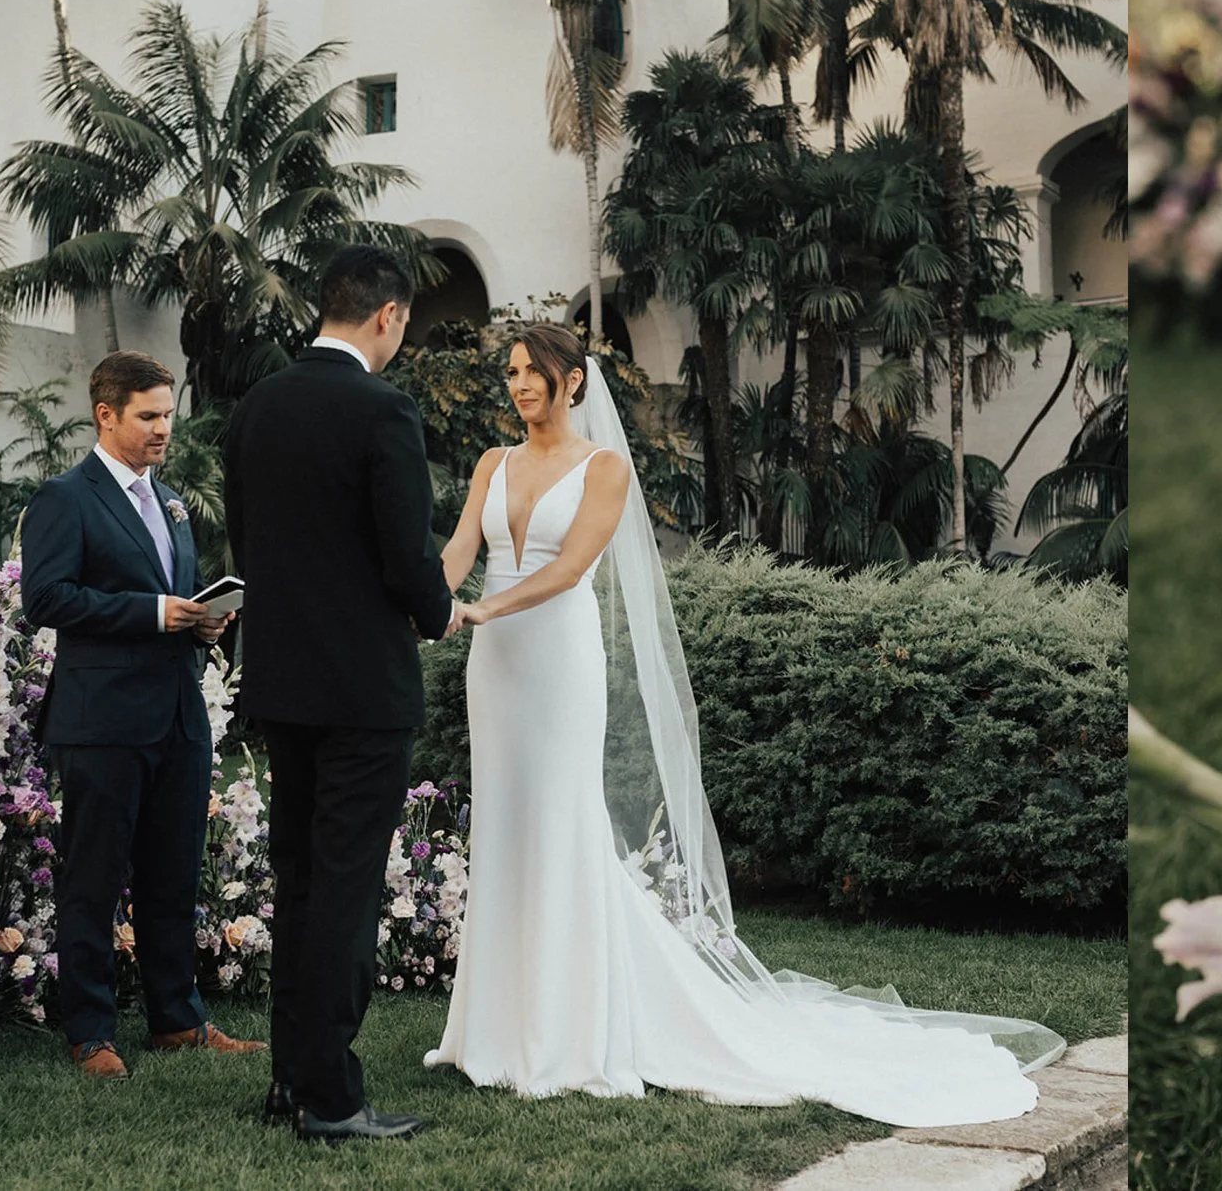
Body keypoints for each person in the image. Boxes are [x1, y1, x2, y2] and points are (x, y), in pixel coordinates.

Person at [422, 322, 1058, 1123]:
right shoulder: (493, 462)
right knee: (506, 827)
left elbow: (570, 566)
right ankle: (490, 1029)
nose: (517, 385)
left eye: (532, 373)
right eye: (510, 372)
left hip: (555, 658)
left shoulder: (605, 468)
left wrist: (483, 605)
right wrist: (433, 596)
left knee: (560, 819)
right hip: (496, 668)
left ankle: (565, 1029)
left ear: (571, 382)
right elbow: (458, 547)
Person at [224, 245, 463, 1142]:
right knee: (347, 889)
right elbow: (410, 555)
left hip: (284, 682)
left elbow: (249, 542)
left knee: (300, 880)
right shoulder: (383, 409)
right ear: (389, 316)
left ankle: (293, 1079)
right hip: (364, 689)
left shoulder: (256, 406)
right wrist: (438, 613)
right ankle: (329, 1095)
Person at [20, 350, 262, 1078]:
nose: (164, 429)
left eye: (168, 415)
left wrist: (202, 621)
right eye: (149, 416)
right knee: (93, 879)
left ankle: (177, 1019)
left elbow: (178, 594)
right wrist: (157, 611)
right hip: (101, 720)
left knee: (172, 874)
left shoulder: (175, 502)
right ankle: (90, 1031)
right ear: (107, 415)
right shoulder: (67, 496)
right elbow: (48, 598)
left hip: (178, 715)